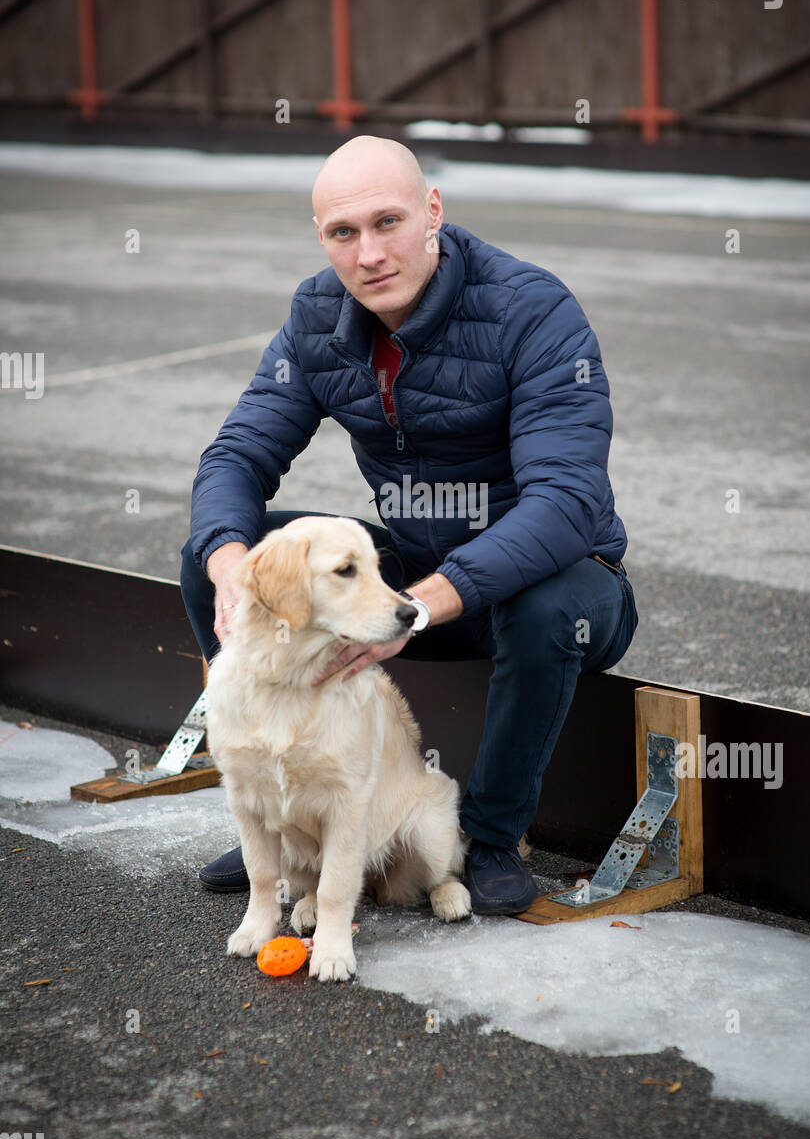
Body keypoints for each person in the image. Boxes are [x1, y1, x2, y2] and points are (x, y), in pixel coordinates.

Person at [180, 134, 638, 915]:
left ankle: (490, 837)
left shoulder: (532, 310)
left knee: (547, 604)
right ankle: (284, 818)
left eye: (387, 222)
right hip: (412, 576)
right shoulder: (318, 313)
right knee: (227, 556)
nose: (368, 255)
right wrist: (227, 561)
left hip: (555, 586)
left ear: (432, 211)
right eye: (342, 234)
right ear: (321, 239)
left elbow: (563, 507)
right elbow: (238, 454)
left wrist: (422, 605)